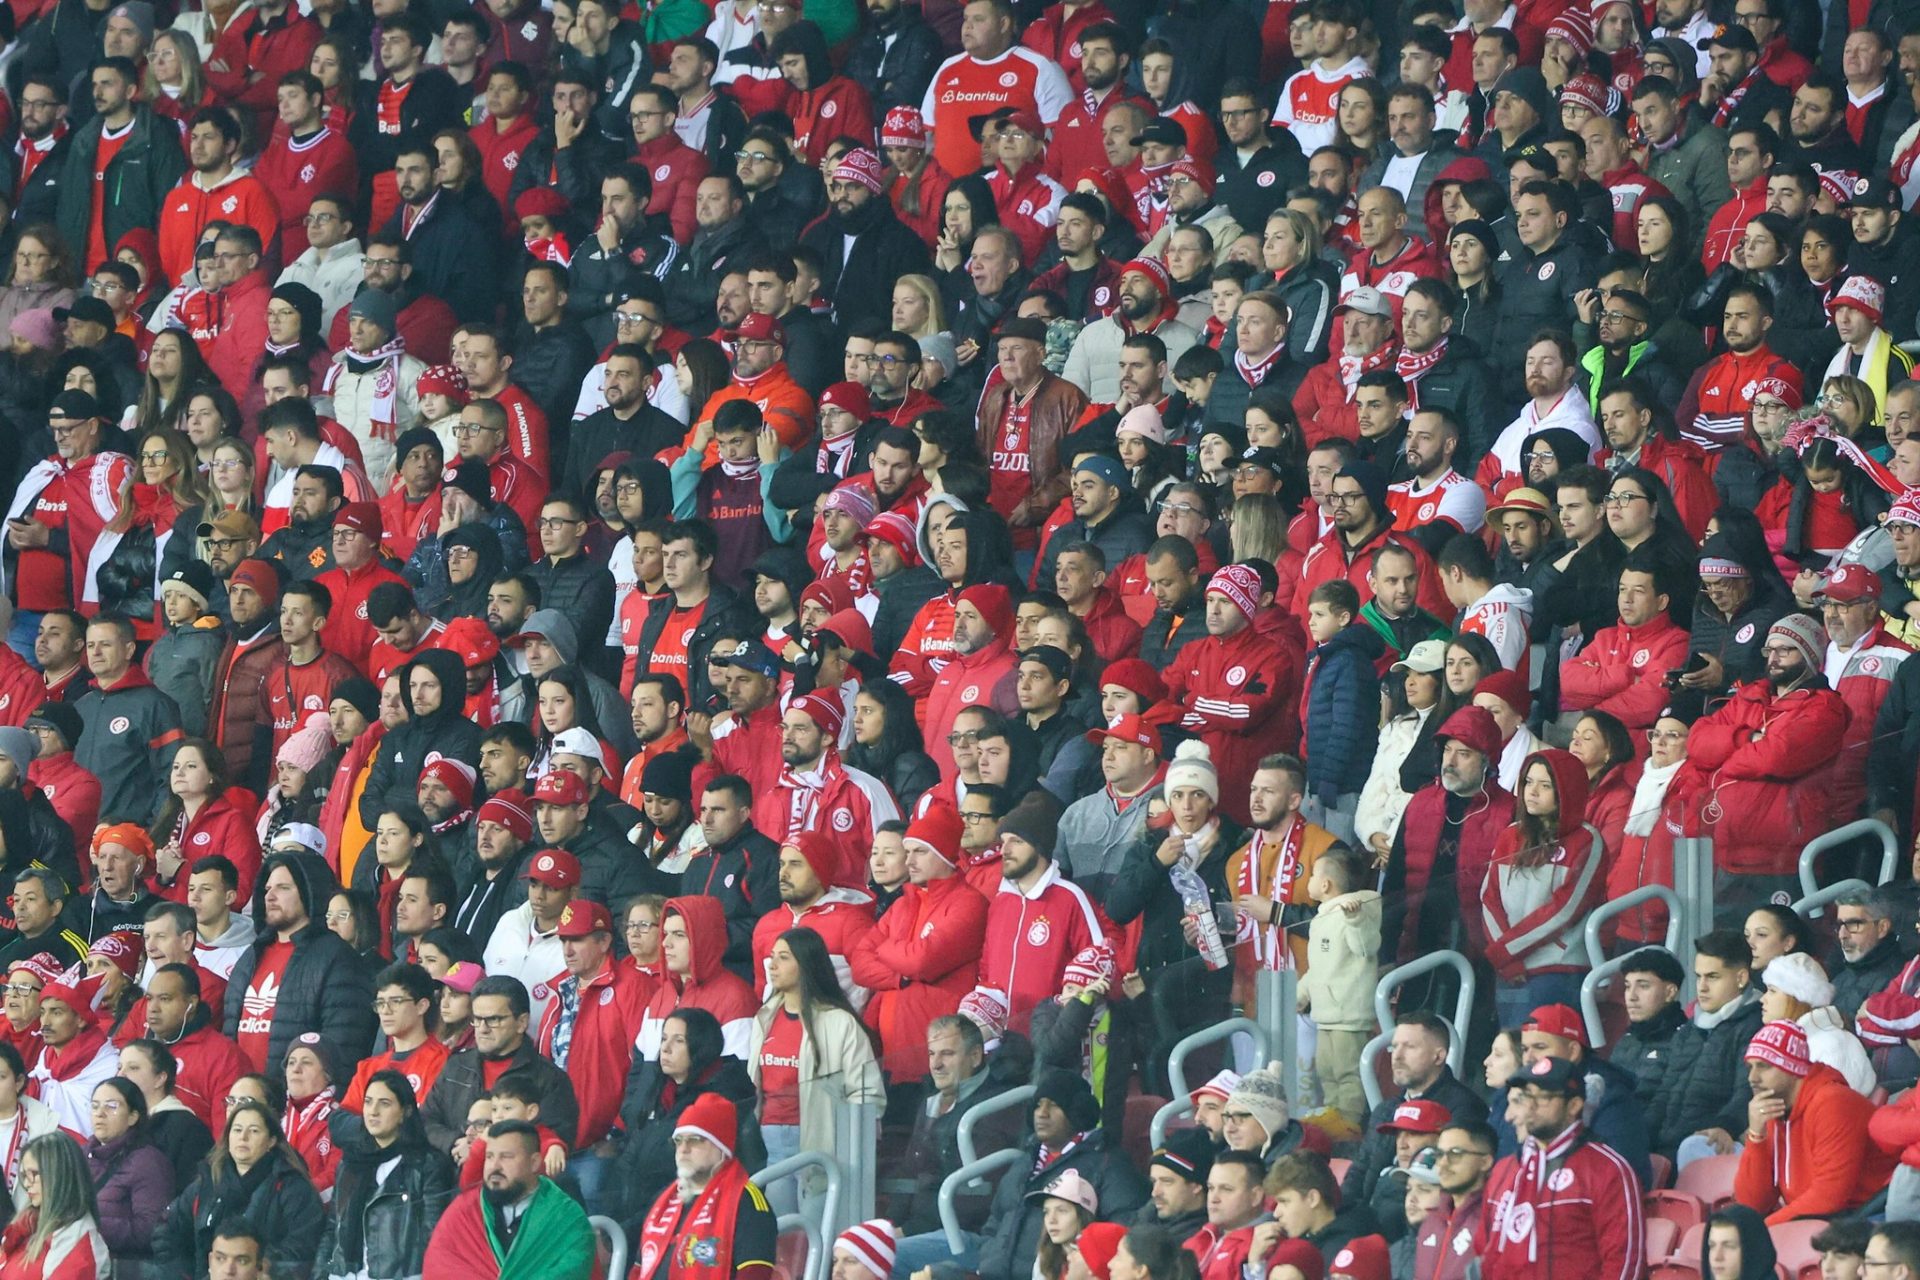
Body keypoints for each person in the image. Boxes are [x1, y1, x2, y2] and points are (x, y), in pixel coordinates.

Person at [1478, 1056, 1645, 1279]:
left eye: (1542, 1098)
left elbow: (1624, 1263)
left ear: (1573, 1105)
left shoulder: (1608, 1169)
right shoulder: (1504, 1170)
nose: (1530, 1106)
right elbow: (1483, 1253)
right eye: (1526, 1096)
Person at [1733, 1020, 1895, 1223]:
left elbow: (1829, 1197)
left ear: (1791, 1068)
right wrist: (1756, 1137)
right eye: (1750, 1067)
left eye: (1764, 1067)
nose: (1752, 1077)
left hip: (1871, 1216)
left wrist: (1762, 1229)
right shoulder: (1774, 1108)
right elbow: (1752, 1204)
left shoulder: (1833, 1103)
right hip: (1825, 1219)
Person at [150, 1098, 328, 1276]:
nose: (243, 1137)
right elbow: (167, 1230)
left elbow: (302, 1246)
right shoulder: (207, 1182)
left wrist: (256, 1268)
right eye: (237, 1130)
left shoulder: (293, 1188)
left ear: (272, 1141)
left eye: (254, 1131)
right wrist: (182, 1273)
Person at [316, 1069, 457, 1280]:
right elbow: (332, 1230)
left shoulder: (426, 1165)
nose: (373, 1111)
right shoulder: (350, 1163)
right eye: (368, 1102)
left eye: (384, 1103)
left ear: (406, 1112)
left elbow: (434, 1238)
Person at [631, 1094, 777, 1280]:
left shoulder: (747, 1203)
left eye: (695, 1140)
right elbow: (638, 1270)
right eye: (678, 1141)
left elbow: (755, 1274)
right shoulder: (662, 1202)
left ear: (721, 1147)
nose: (683, 1149)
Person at [0, 1134, 112, 1278]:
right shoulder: (25, 1227)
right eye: (24, 1176)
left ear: (59, 1173)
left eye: (33, 1173)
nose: (27, 1183)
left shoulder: (78, 1238)